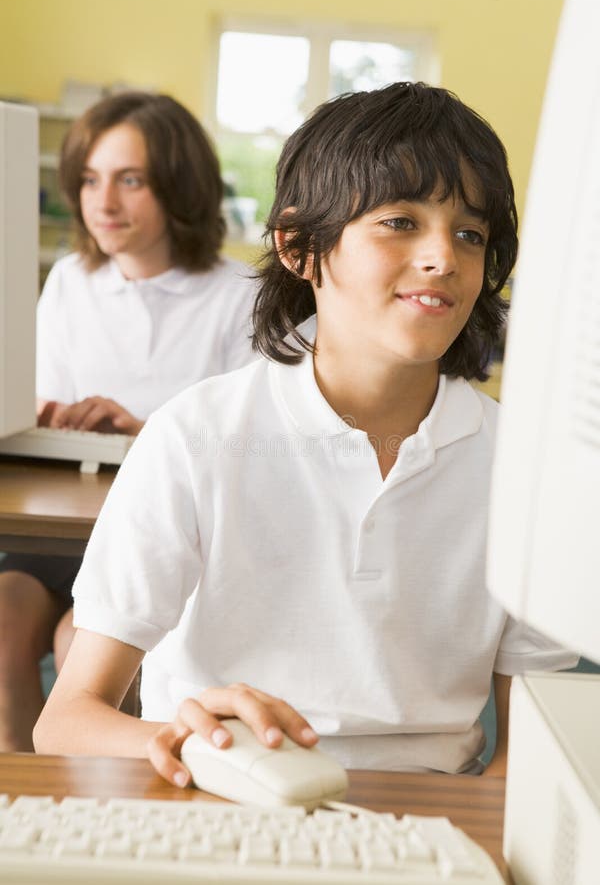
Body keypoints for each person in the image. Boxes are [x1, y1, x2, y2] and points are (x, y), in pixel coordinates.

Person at [34, 82, 577, 780]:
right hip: (227, 799)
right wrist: (175, 739)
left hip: (433, 822)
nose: (444, 256)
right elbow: (66, 719)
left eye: (470, 233)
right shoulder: (193, 437)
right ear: (298, 246)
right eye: (400, 221)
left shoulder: (525, 470)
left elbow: (536, 744)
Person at [0, 91, 256, 752]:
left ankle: (101, 807)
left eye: (130, 181)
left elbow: (253, 446)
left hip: (159, 533)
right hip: (61, 529)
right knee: (2, 626)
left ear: (179, 184)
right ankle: (23, 807)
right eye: (89, 180)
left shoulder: (239, 298)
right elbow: (42, 416)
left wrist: (144, 430)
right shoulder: (69, 282)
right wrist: (45, 416)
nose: (103, 204)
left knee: (75, 641)